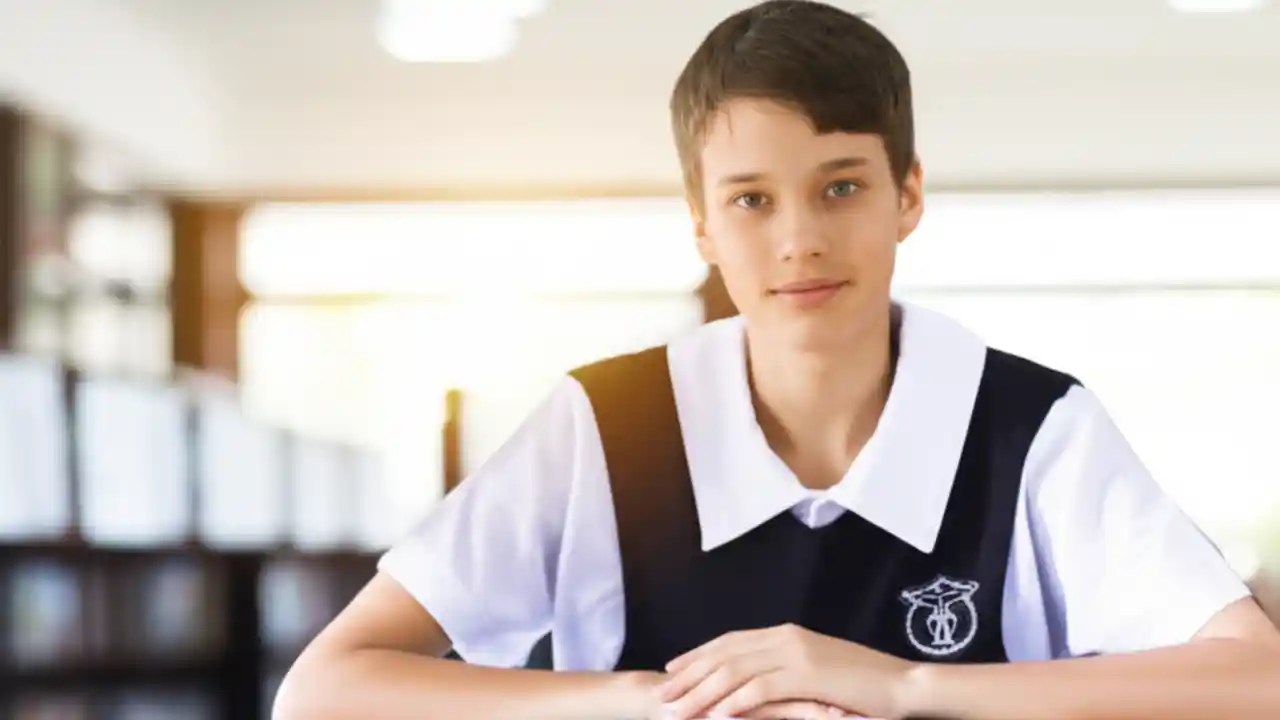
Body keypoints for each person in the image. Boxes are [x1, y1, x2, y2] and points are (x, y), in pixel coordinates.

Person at [273, 2, 1280, 718]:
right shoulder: (602, 423)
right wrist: (645, 704)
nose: (797, 239)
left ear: (907, 196)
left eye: (839, 187)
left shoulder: (1030, 426)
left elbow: (1255, 681)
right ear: (702, 227)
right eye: (750, 199)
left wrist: (901, 687)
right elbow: (325, 689)